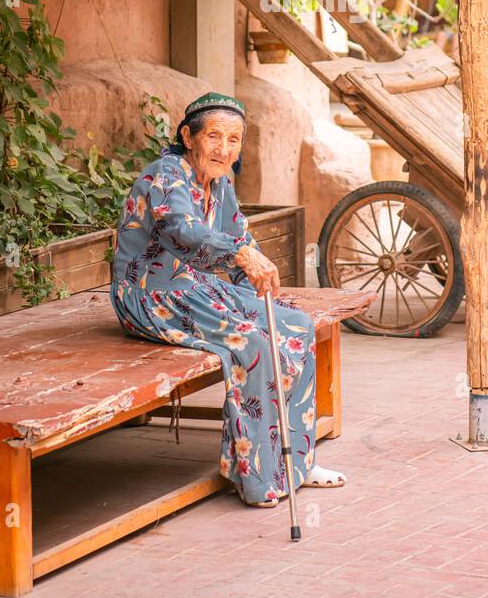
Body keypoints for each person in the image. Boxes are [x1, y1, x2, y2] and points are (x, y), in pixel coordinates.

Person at [110, 91, 347, 507]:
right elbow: (183, 233)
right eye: (214, 137)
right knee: (252, 343)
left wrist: (254, 275)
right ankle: (255, 476)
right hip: (153, 295)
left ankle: (297, 463)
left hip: (198, 288)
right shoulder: (164, 176)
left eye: (234, 139)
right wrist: (241, 257)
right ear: (188, 135)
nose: (224, 149)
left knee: (295, 325)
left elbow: (238, 238)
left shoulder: (220, 184)